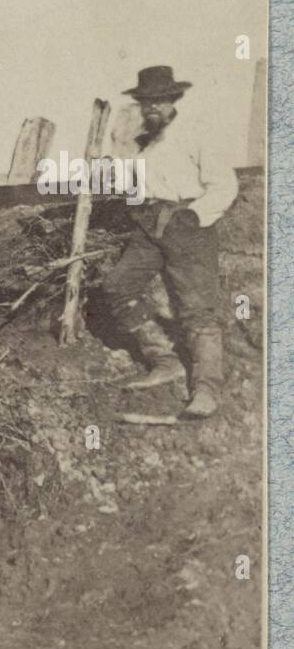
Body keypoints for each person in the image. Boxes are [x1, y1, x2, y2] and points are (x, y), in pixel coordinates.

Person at [102, 66, 238, 419]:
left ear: (173, 99)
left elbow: (224, 184)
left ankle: (206, 389)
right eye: (146, 102)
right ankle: (165, 360)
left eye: (158, 101)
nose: (152, 109)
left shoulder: (195, 134)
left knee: (196, 307)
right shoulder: (145, 144)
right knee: (119, 286)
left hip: (188, 226)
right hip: (149, 227)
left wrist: (193, 217)